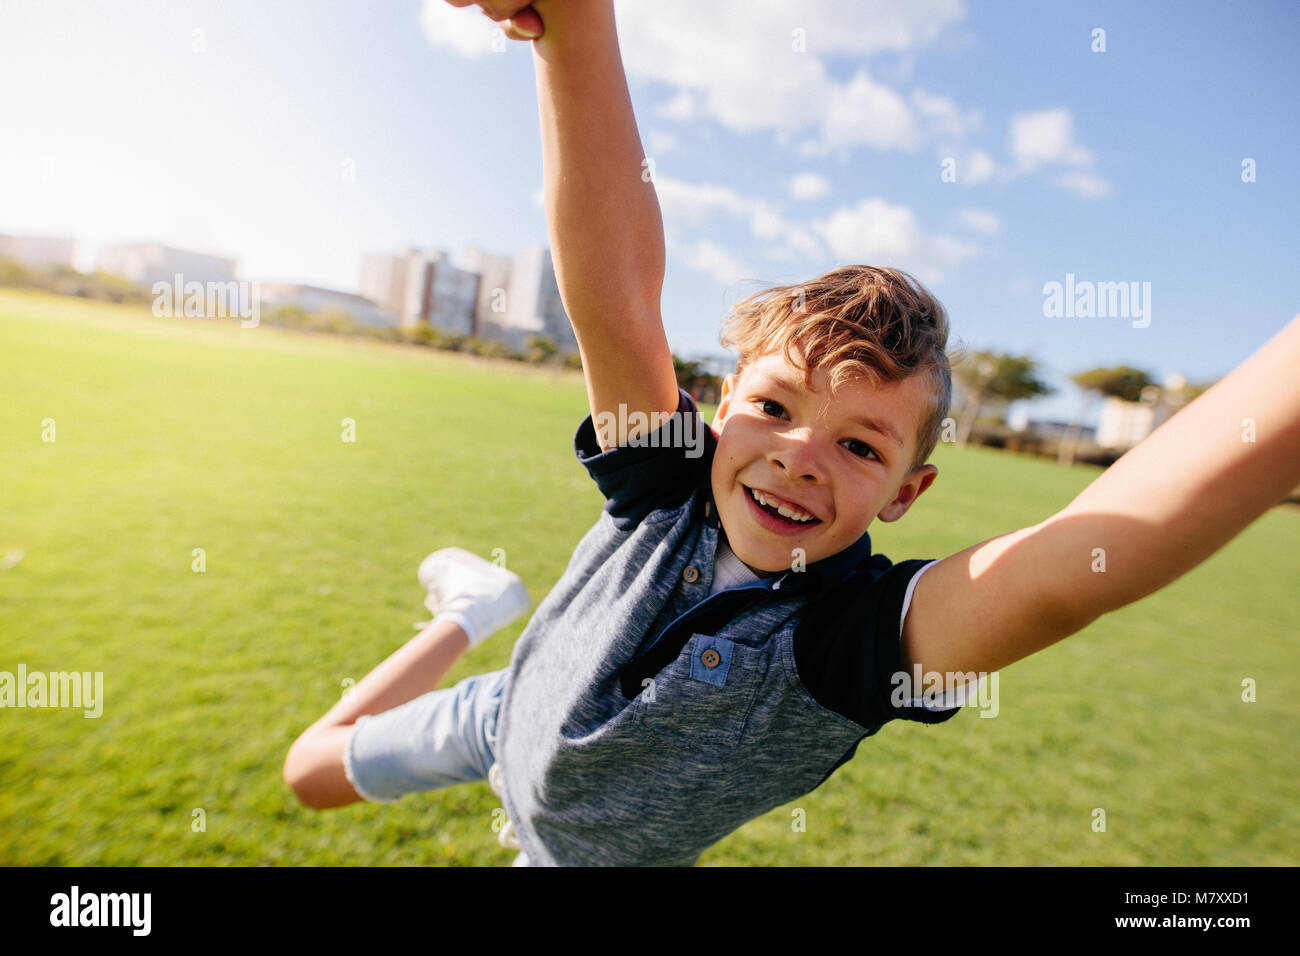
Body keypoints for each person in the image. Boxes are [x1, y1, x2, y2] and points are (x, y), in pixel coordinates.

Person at [283, 0, 1300, 866]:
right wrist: (574, 23)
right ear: (723, 406)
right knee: (307, 771)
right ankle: (470, 609)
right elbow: (616, 301)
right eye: (772, 407)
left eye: (860, 446)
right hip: (507, 709)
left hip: (580, 850)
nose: (796, 454)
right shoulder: (669, 483)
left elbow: (1080, 561)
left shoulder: (857, 641)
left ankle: (474, 609)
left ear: (906, 491)